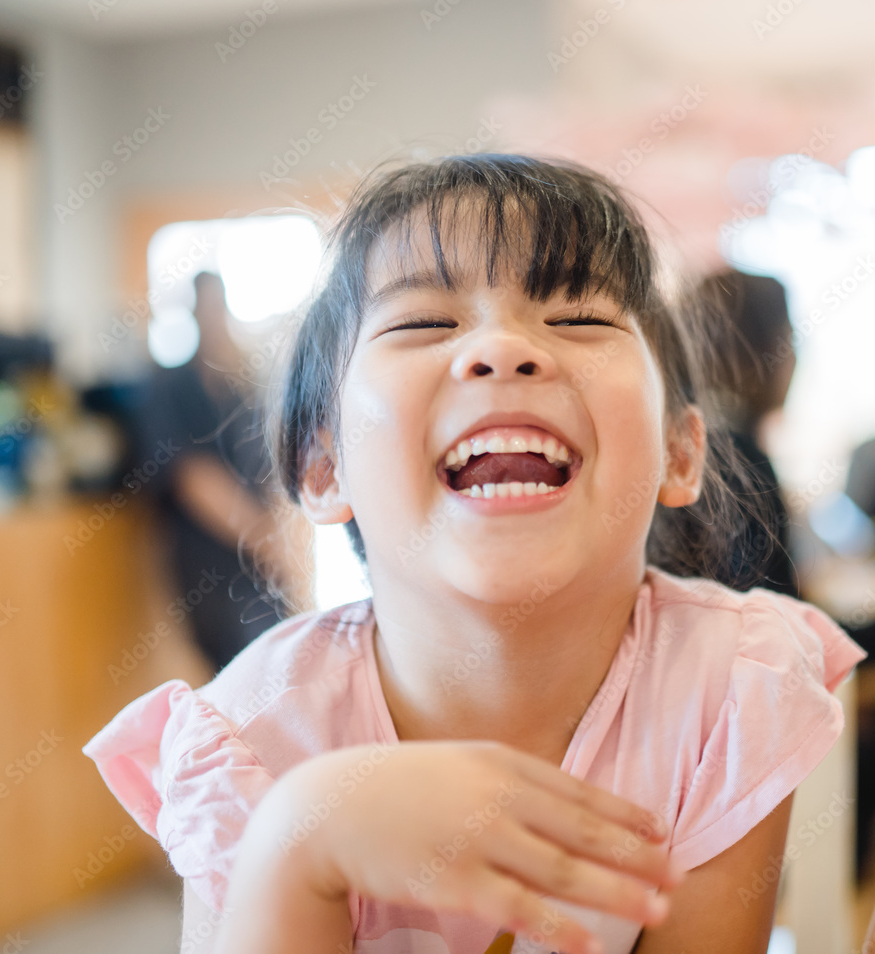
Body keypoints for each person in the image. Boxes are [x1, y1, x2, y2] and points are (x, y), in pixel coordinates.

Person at [83, 155, 866, 954]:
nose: (502, 349)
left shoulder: (729, 688)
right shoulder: (256, 738)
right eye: (424, 322)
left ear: (678, 451)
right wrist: (301, 845)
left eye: (578, 319)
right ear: (324, 468)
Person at [132, 271, 292, 671]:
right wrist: (262, 537)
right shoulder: (170, 387)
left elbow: (267, 470)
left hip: (256, 561)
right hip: (205, 560)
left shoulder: (243, 387)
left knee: (278, 658)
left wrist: (276, 542)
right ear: (194, 311)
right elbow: (191, 477)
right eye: (207, 306)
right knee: (235, 667)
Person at [691, 269, 800, 598]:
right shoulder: (738, 461)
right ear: (765, 351)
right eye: (790, 339)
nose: (794, 359)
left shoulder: (693, 441)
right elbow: (769, 618)